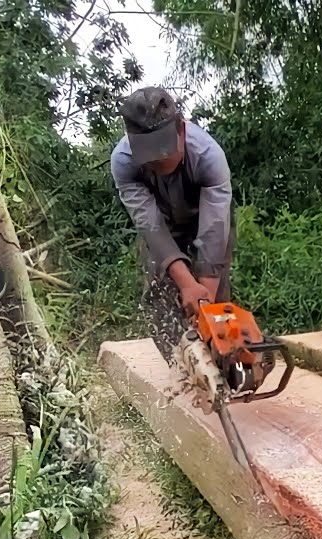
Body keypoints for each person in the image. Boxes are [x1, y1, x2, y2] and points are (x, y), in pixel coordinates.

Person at [110, 86, 235, 361]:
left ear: (181, 130)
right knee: (158, 293)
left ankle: (223, 364)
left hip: (205, 217)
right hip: (163, 223)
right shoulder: (123, 162)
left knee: (217, 302)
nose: (157, 162)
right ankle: (180, 367)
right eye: (151, 160)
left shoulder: (208, 156)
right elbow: (150, 225)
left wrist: (204, 302)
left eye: (164, 155)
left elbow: (214, 233)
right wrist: (186, 283)